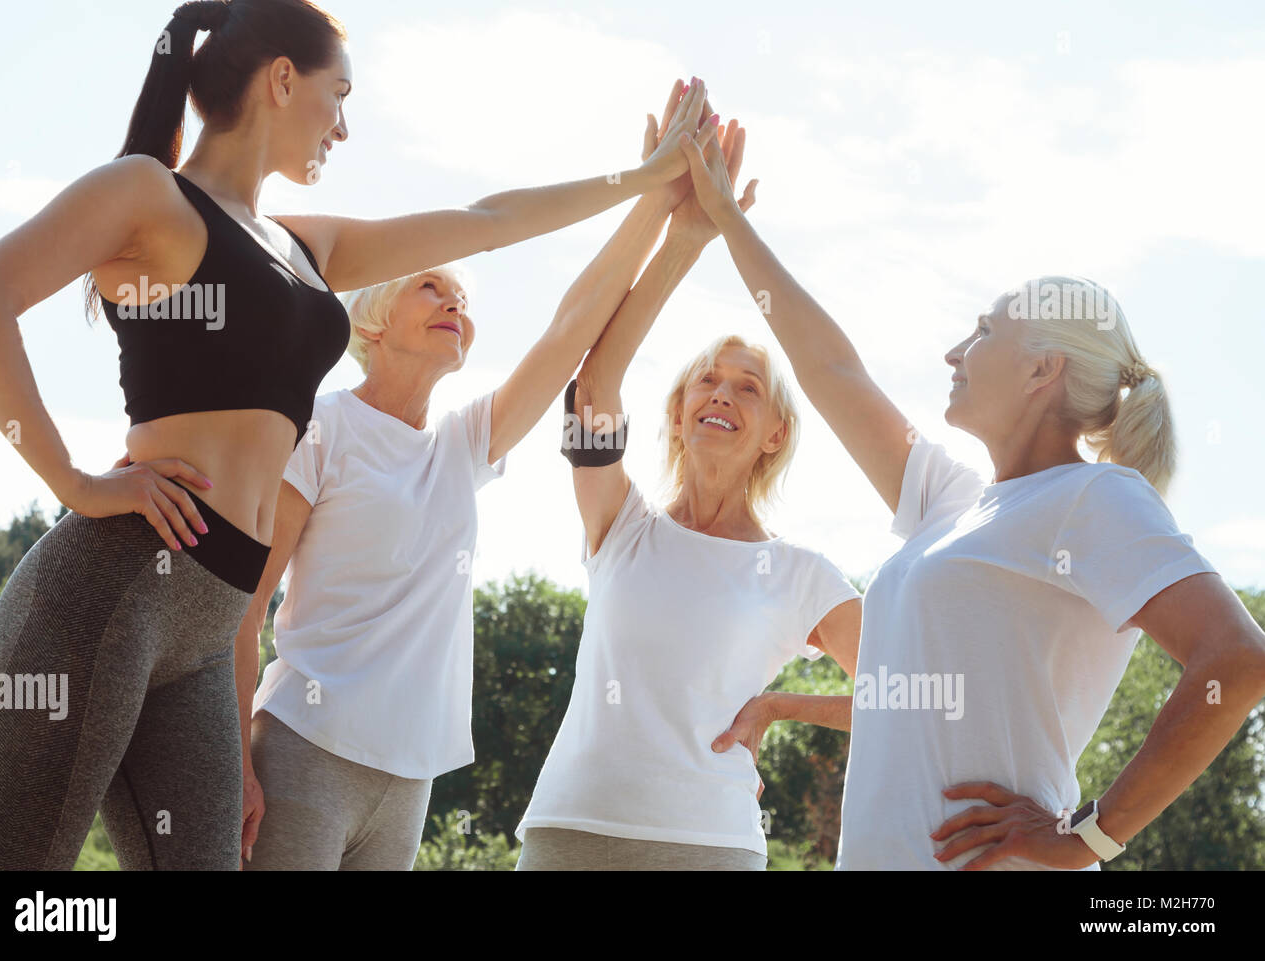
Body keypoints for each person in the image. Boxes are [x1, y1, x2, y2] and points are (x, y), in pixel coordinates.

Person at [0, 0, 703, 870]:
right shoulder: (147, 194)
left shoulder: (302, 247)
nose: (344, 129)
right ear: (283, 80)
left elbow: (492, 220)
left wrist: (647, 179)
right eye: (338, 96)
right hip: (112, 590)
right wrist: (78, 483)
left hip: (207, 633)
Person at [678, 127, 1265, 870]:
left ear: (1041, 369)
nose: (955, 352)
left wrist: (1088, 836)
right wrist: (729, 216)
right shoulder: (950, 505)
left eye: (984, 331)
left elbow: (1237, 659)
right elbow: (830, 368)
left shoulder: (1093, 497)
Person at [236, 79, 720, 870]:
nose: (454, 303)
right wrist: (235, 754)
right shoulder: (320, 425)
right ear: (373, 318)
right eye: (431, 285)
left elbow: (572, 330)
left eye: (463, 297)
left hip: (410, 776)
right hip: (303, 750)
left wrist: (667, 208)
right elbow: (247, 604)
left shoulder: (463, 444)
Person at [514, 119, 864, 871]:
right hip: (572, 826)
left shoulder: (803, 573)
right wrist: (686, 237)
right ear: (676, 411)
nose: (721, 394)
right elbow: (593, 386)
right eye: (705, 379)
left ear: (774, 432)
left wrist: (780, 706)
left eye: (747, 388)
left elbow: (905, 691)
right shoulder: (622, 527)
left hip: (711, 845)